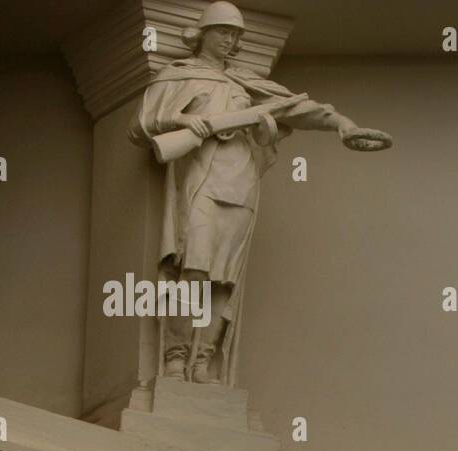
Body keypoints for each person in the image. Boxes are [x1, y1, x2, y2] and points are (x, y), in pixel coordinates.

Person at [129, 1, 389, 385]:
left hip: (241, 186)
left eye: (235, 34)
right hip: (200, 183)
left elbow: (299, 109)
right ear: (203, 33)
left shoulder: (247, 83)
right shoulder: (178, 75)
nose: (229, 39)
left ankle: (203, 360)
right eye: (222, 31)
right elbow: (140, 126)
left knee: (223, 279)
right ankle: (175, 355)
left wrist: (342, 125)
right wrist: (185, 120)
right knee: (194, 270)